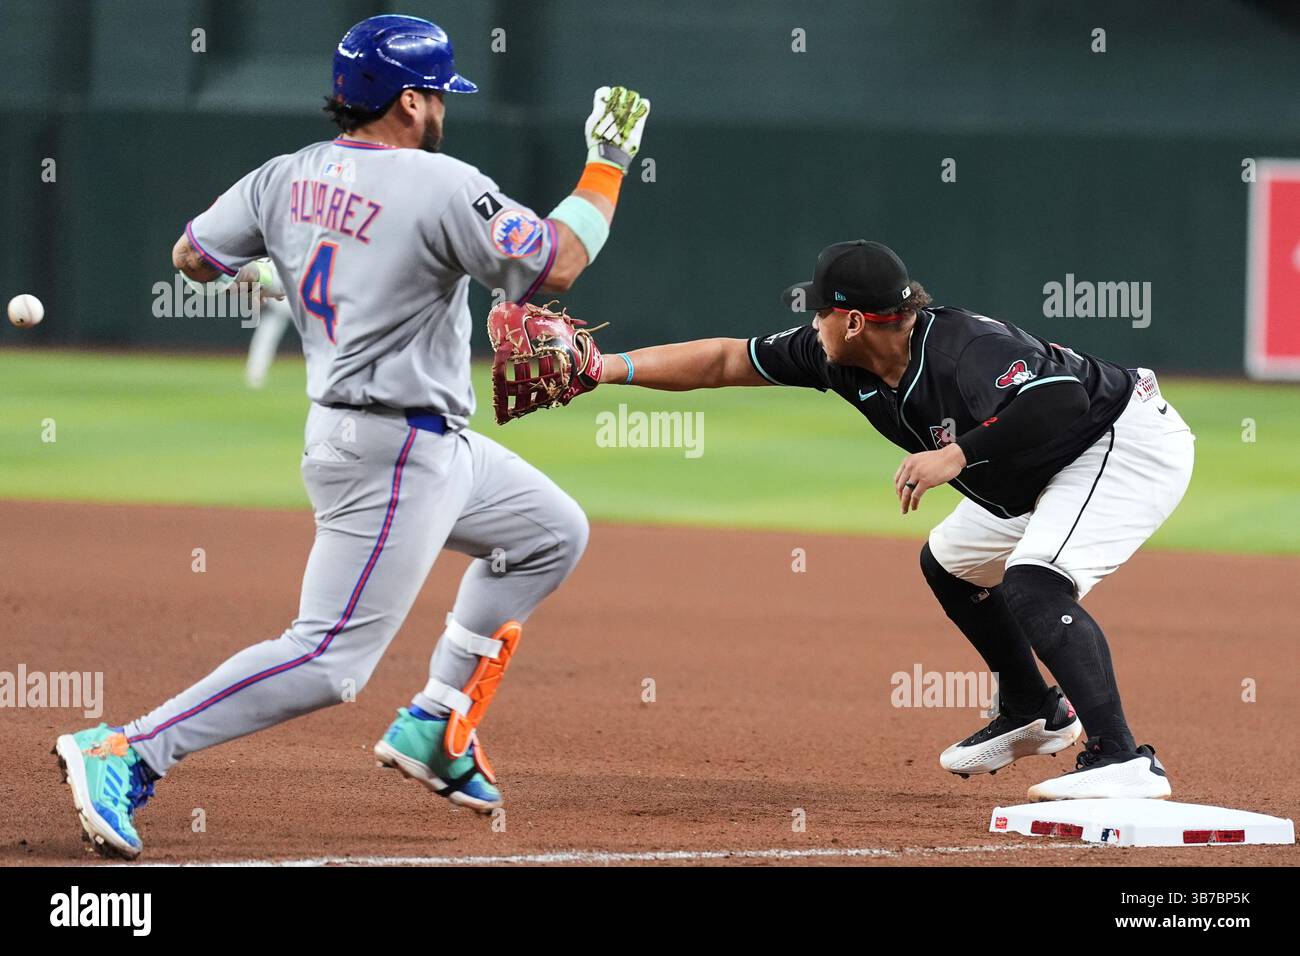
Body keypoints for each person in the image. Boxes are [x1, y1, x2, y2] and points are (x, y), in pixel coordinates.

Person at [53, 14, 650, 859]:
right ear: (409, 101)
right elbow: (556, 261)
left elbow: (192, 256)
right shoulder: (440, 182)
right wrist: (609, 159)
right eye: (438, 93)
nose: (444, 107)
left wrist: (284, 271)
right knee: (330, 661)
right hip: (389, 452)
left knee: (551, 531)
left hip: (421, 441)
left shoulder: (284, 176)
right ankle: (127, 750)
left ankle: (437, 722)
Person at [548, 239, 1194, 802]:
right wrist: (603, 368)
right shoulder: (835, 356)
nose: (811, 323)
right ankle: (1033, 710)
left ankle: (1121, 759)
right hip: (1042, 466)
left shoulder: (963, 348)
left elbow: (1062, 398)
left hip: (1117, 442)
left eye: (818, 311)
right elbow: (724, 361)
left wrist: (957, 454)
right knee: (951, 564)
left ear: (853, 319)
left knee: (1034, 582)